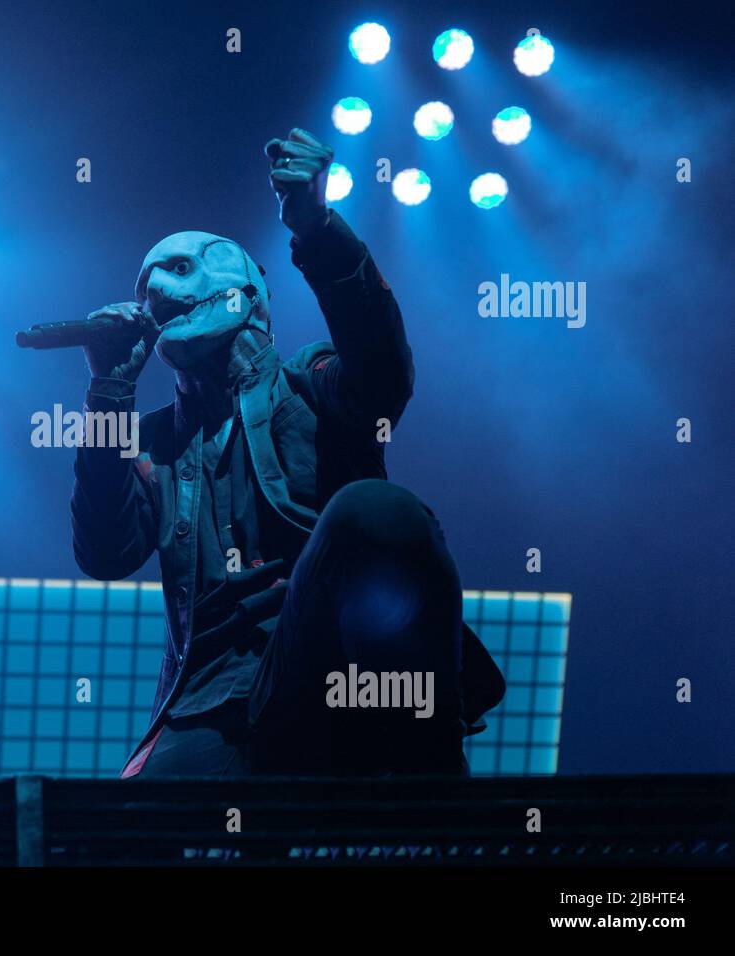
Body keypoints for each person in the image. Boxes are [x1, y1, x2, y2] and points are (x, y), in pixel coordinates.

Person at [70, 128, 505, 777]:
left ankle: (422, 756)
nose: (156, 290)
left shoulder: (310, 383)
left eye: (180, 269)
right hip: (207, 705)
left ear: (247, 289)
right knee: (112, 836)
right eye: (146, 285)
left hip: (331, 669)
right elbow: (105, 554)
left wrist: (317, 228)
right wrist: (108, 388)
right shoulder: (151, 443)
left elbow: (383, 375)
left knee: (377, 510)